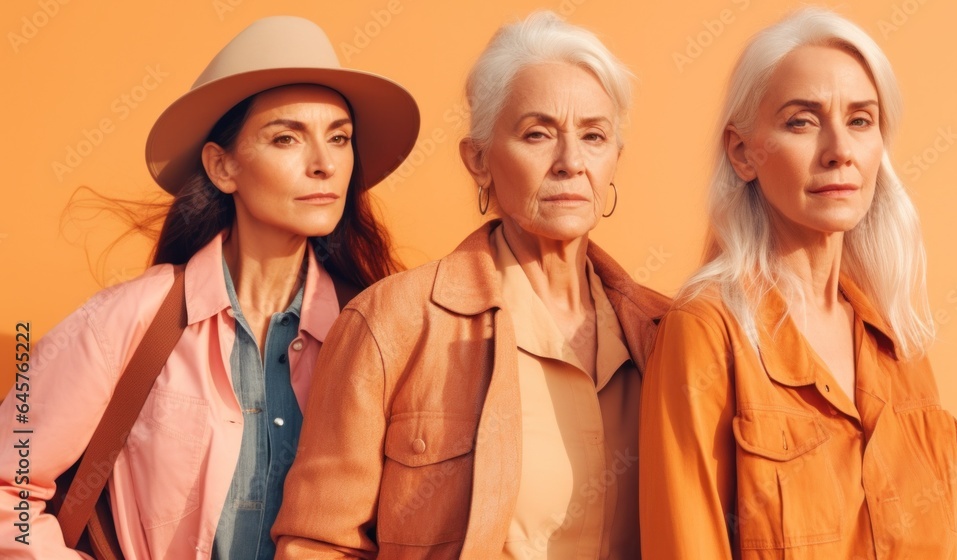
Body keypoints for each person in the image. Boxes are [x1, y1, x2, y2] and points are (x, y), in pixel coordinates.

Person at [0, 15, 419, 559]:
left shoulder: (377, 333)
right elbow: (11, 483)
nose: (324, 164)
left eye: (340, 138)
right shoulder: (131, 318)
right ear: (223, 167)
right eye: (287, 137)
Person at [271, 11, 670, 559]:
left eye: (594, 136)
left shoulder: (667, 333)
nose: (571, 162)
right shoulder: (391, 324)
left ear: (615, 160)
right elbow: (319, 545)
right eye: (537, 134)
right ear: (478, 160)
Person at [638, 7, 957, 559]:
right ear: (743, 152)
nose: (839, 149)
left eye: (861, 121)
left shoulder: (901, 345)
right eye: (802, 121)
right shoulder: (706, 329)